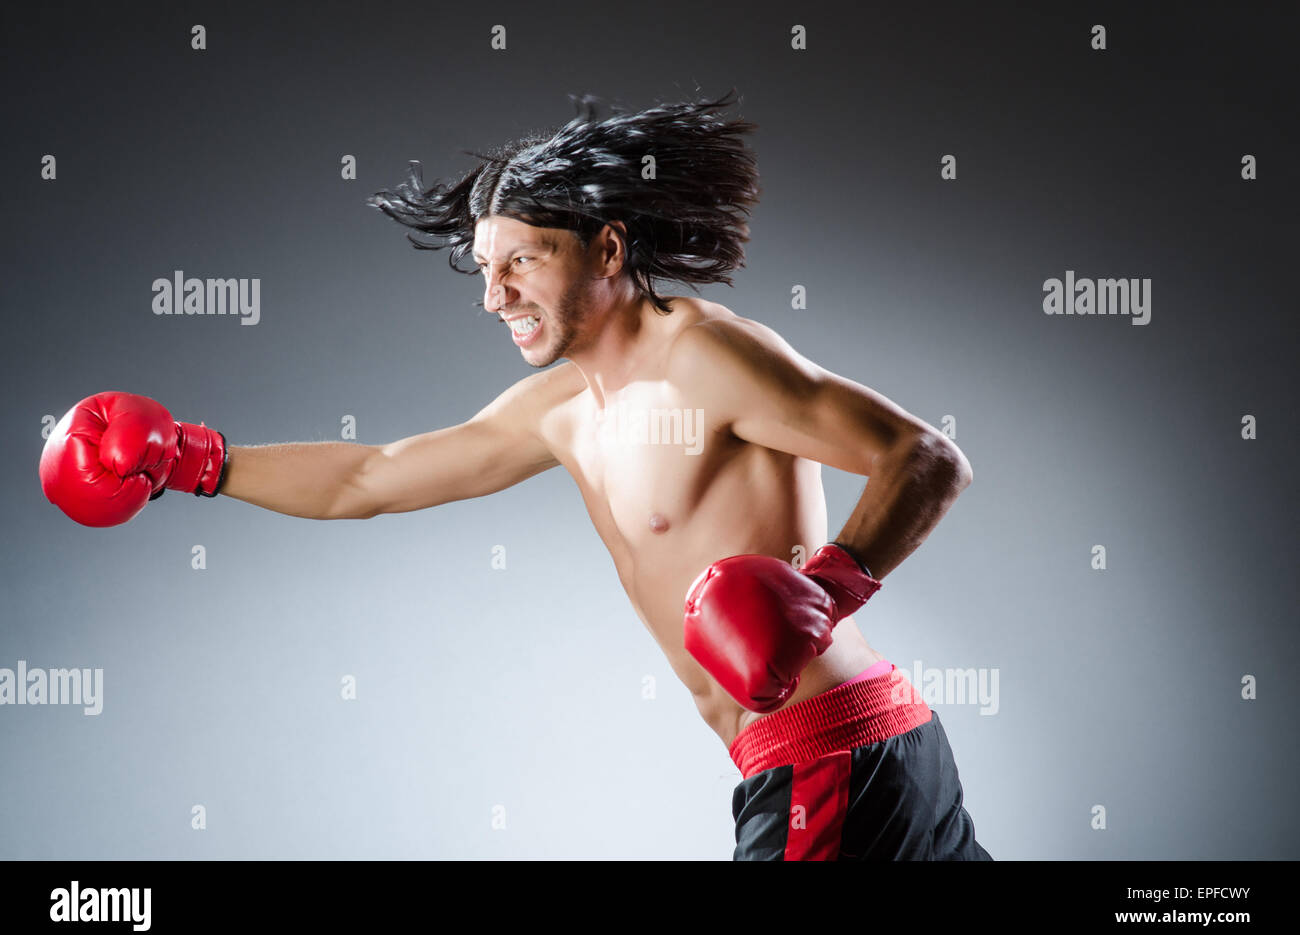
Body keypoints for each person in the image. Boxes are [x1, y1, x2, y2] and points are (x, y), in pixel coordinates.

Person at [39, 90, 991, 861]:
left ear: (607, 249)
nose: (495, 297)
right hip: (820, 759)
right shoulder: (562, 411)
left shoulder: (706, 357)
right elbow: (371, 476)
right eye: (485, 270)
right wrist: (191, 462)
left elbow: (926, 457)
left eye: (522, 263)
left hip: (833, 758)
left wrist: (825, 589)